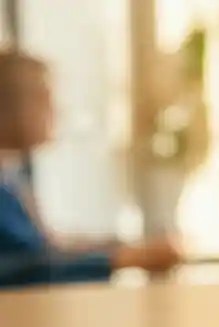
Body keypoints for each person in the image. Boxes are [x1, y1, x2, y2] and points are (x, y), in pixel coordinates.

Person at [0, 51, 181, 288]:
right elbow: (22, 269)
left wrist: (123, 247)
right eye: (44, 99)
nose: (57, 111)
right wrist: (125, 258)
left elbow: (48, 247)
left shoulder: (13, 175)